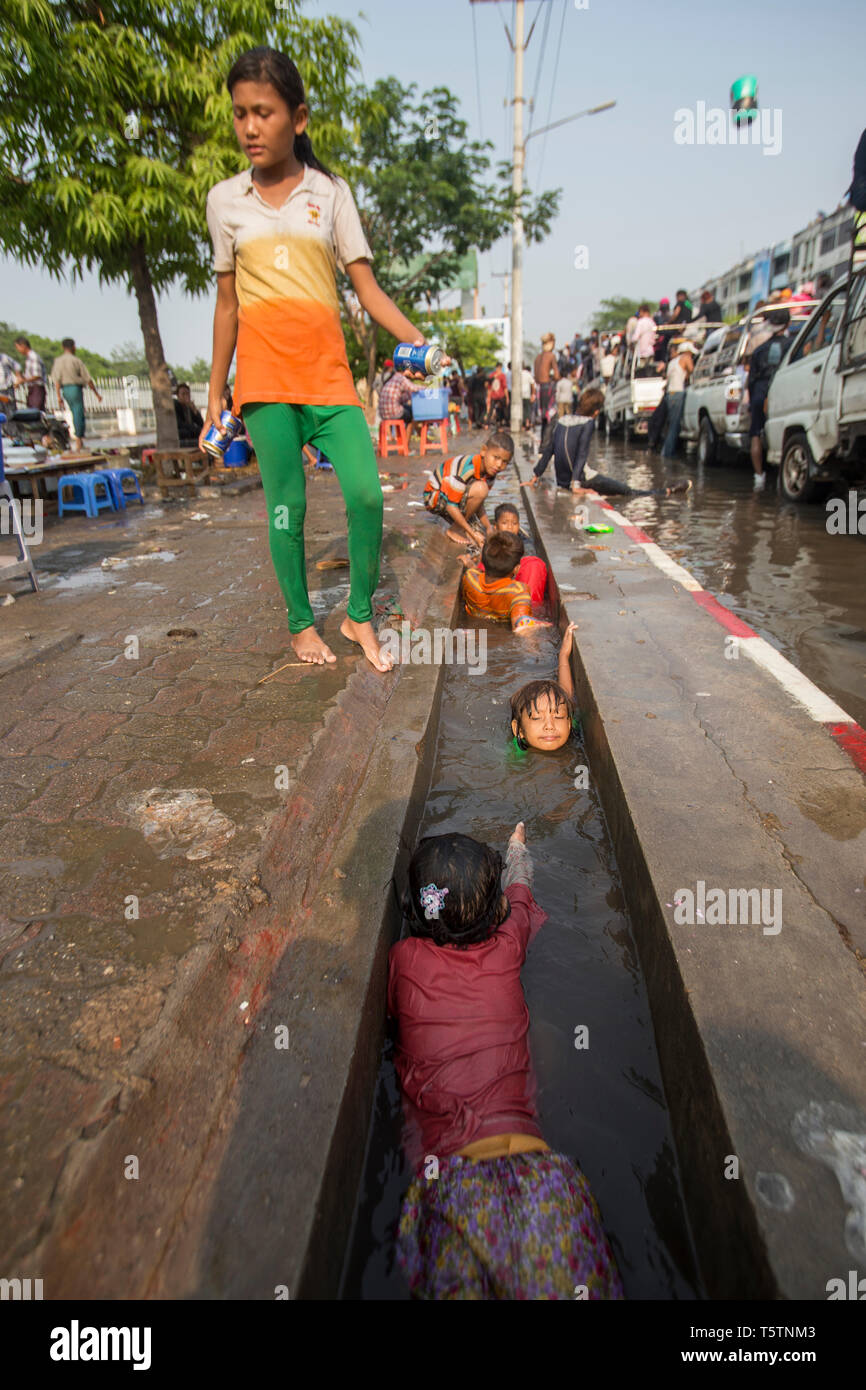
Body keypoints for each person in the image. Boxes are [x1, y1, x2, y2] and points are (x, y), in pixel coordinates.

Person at [202, 47, 440, 673]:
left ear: (298, 117)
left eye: (265, 112)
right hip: (263, 381)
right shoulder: (224, 201)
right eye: (240, 115)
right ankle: (301, 625)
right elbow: (227, 306)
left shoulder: (329, 194)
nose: (250, 127)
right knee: (287, 505)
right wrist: (213, 397)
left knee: (366, 494)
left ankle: (358, 613)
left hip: (327, 375)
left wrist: (423, 344)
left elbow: (367, 289)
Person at [390, 825, 623, 1300]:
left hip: (452, 1184)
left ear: (419, 911)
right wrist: (517, 847)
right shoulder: (508, 944)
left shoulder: (404, 959)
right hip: (545, 1176)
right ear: (494, 912)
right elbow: (521, 892)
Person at [526, 388, 691, 497]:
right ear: (596, 411)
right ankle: (669, 491)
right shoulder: (588, 423)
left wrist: (535, 475)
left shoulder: (562, 420)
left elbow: (549, 451)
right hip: (582, 478)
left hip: (562, 480)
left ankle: (672, 490)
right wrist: (576, 485)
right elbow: (581, 454)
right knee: (630, 492)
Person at [423, 431, 513, 548]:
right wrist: (472, 533)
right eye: (496, 458)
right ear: (484, 451)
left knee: (479, 528)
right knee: (481, 489)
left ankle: (460, 528)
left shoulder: (490, 474)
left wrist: (489, 528)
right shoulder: (468, 468)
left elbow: (478, 503)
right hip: (434, 498)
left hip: (451, 497)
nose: (499, 465)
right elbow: (451, 506)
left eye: (505, 462)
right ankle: (454, 530)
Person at [462, 532, 551, 634]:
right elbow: (520, 623)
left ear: (482, 558)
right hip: (504, 629)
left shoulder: (469, 577)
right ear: (517, 569)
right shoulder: (518, 592)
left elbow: (477, 572)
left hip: (477, 622)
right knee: (535, 564)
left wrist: (470, 564)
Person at [510, 622, 578, 752]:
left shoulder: (572, 724)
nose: (549, 726)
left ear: (569, 724)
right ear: (518, 729)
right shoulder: (516, 753)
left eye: (558, 716)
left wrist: (563, 655)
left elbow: (567, 693)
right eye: (536, 717)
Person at [465, 502, 548, 605]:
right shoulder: (490, 545)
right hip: (507, 597)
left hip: (496, 591)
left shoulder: (522, 542)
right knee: (535, 564)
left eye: (514, 523)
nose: (510, 527)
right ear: (495, 527)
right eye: (505, 523)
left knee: (534, 565)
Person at [747, 307, 790, 490]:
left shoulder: (758, 350)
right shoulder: (792, 345)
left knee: (755, 434)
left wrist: (752, 402)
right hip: (781, 393)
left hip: (759, 393)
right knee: (784, 432)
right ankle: (782, 475)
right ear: (788, 324)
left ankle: (758, 477)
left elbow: (750, 380)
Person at [49, 339, 103, 449]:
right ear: (73, 347)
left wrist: (59, 396)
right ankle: (79, 440)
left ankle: (79, 440)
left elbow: (57, 381)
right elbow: (88, 379)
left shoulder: (58, 361)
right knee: (78, 413)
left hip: (66, 391)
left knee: (75, 412)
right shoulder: (76, 360)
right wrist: (96, 394)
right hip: (75, 388)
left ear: (62, 347)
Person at [660, 341, 695, 459]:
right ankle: (667, 454)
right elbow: (692, 371)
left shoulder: (672, 362)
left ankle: (666, 452)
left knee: (671, 425)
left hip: (670, 394)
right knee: (675, 426)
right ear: (687, 352)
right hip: (678, 393)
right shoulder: (685, 358)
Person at [533, 332, 559, 430]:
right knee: (551, 416)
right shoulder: (551, 356)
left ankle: (544, 441)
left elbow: (536, 376)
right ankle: (547, 443)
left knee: (543, 416)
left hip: (539, 389)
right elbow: (557, 375)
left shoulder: (537, 358)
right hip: (548, 387)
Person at [13, 337, 47, 411]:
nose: (18, 350)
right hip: (32, 388)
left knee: (35, 411)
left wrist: (22, 381)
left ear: (23, 346)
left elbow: (37, 375)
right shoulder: (29, 358)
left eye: (17, 347)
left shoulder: (33, 357)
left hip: (37, 389)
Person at [520, 361, 534, 429]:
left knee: (522, 409)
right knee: (527, 409)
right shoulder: (528, 374)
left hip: (519, 395)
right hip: (527, 394)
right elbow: (532, 384)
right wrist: (533, 394)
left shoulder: (518, 374)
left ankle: (523, 423)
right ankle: (527, 422)